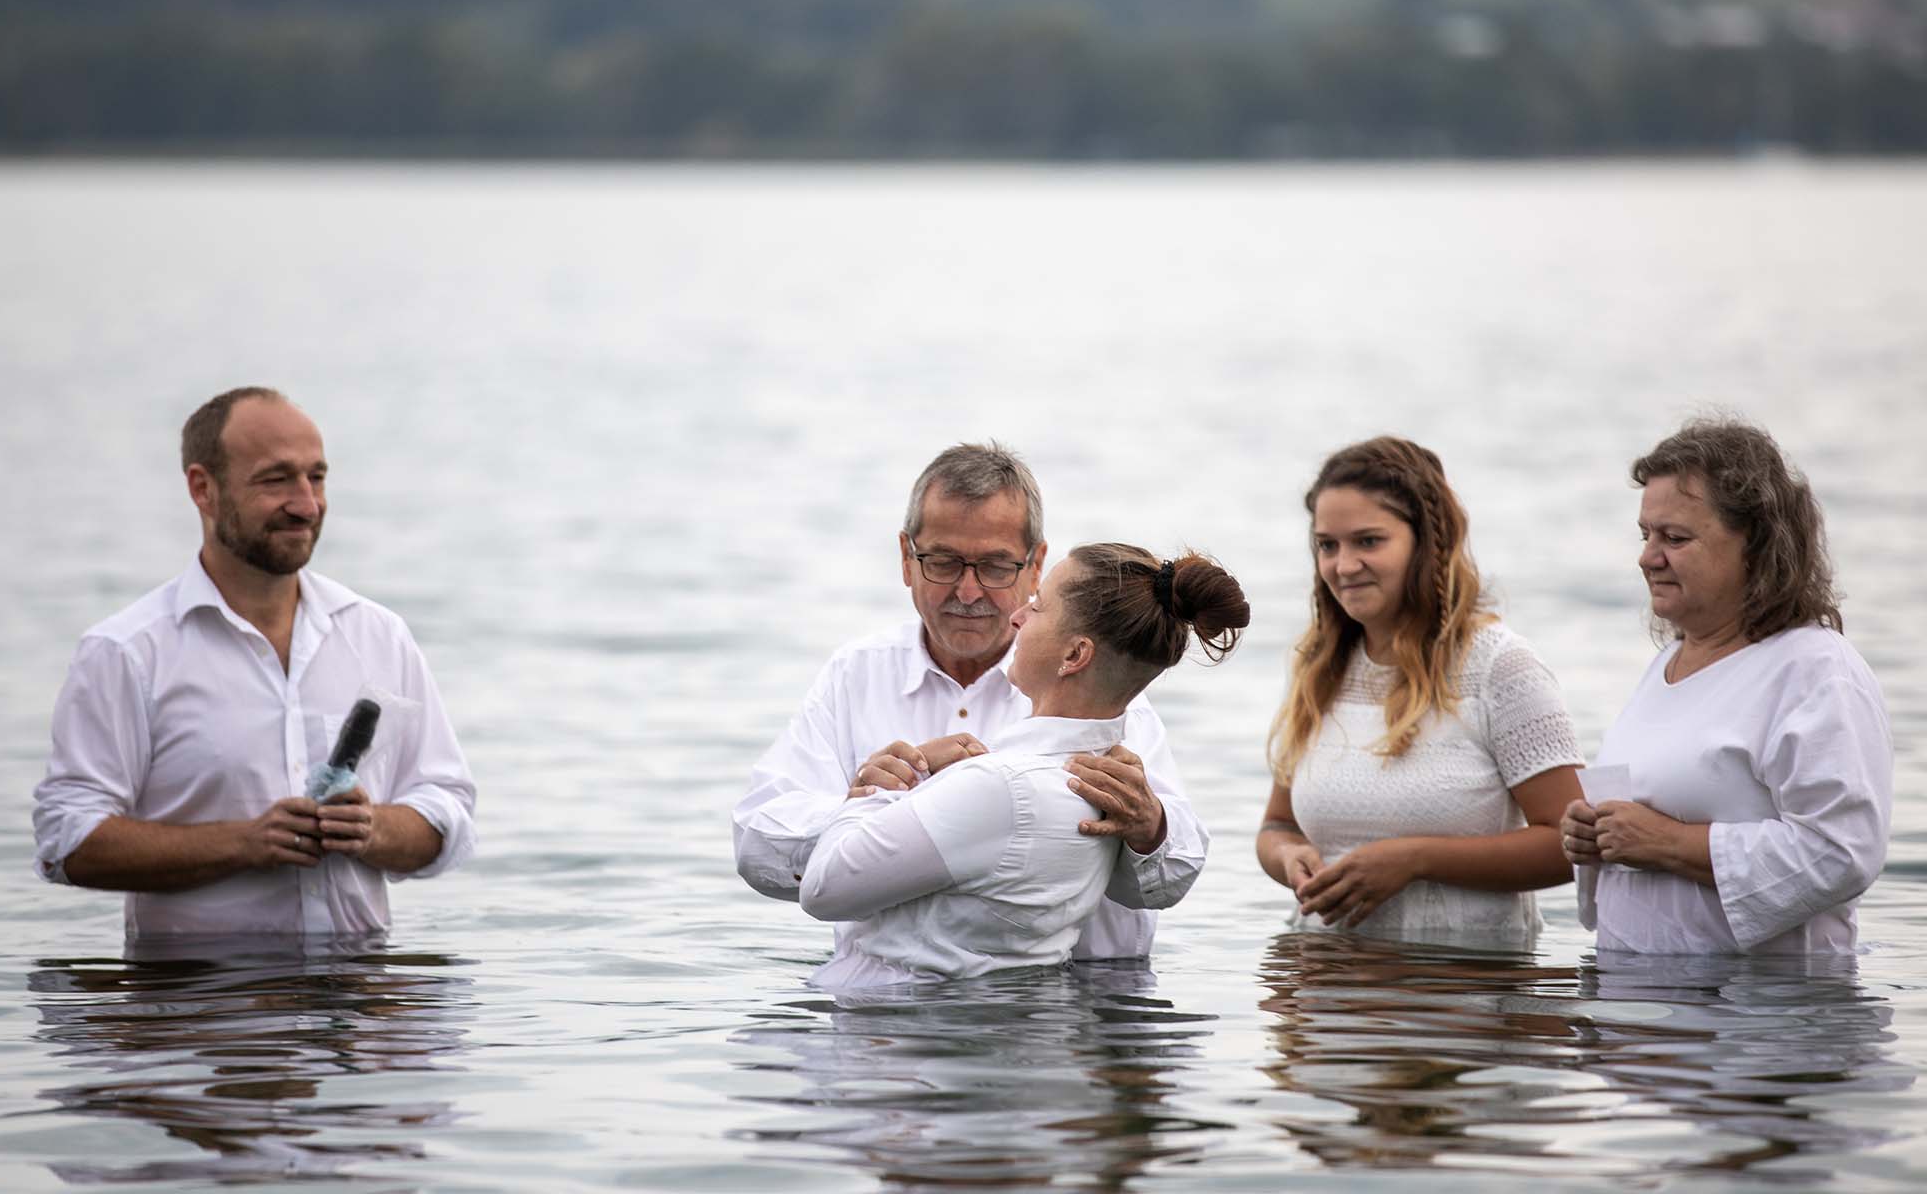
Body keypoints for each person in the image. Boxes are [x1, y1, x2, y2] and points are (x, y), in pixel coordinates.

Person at [734, 442, 1210, 961]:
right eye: (942, 562)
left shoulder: (1110, 702)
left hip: (1092, 1005)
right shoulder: (857, 674)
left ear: (1036, 566)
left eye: (995, 566)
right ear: (905, 558)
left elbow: (1170, 880)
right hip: (888, 1023)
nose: (967, 590)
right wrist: (873, 805)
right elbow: (757, 846)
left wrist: (1150, 828)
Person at [31, 387, 477, 937]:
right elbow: (66, 841)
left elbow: (449, 810)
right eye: (276, 479)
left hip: (361, 998)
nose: (306, 504)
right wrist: (242, 843)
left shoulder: (378, 634)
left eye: (316, 477)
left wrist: (372, 829)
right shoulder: (126, 651)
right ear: (203, 489)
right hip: (199, 1002)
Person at [798, 544, 1249, 986]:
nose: (1017, 616)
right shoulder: (1088, 780)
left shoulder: (1000, 786)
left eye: (1037, 608)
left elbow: (823, 889)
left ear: (1074, 656)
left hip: (888, 1029)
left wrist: (883, 786)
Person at [1561, 418, 1892, 954]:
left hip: (1759, 1022)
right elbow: (1643, 823)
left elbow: (1842, 852)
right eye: (1646, 535)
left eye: (1675, 538)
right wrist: (1592, 836)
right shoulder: (1666, 664)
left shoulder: (1813, 669)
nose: (1648, 557)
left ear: (1755, 545)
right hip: (1641, 1013)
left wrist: (1669, 844)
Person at [1254, 437, 1585, 939]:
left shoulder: (1501, 665)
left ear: (1427, 542)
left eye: (1368, 541)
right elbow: (1277, 826)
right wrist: (1288, 856)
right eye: (1327, 545)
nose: (1343, 566)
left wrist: (1415, 860)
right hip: (1323, 984)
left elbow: (1569, 844)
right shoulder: (1318, 667)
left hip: (1461, 989)